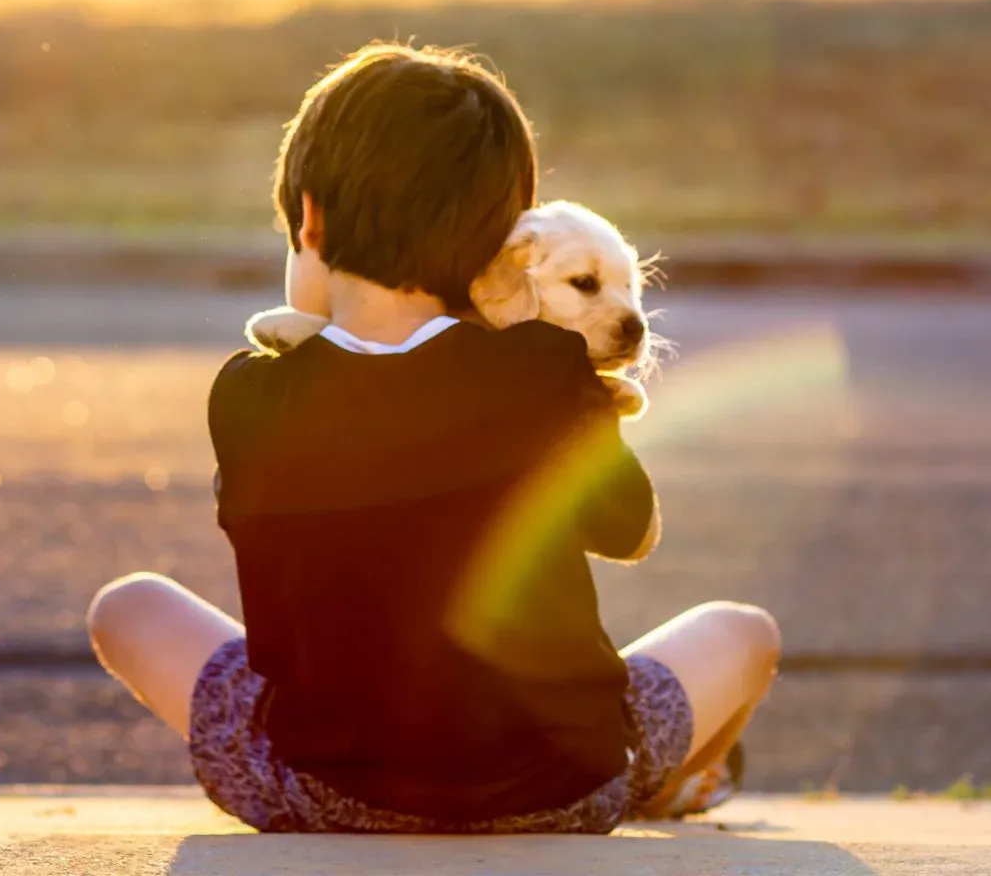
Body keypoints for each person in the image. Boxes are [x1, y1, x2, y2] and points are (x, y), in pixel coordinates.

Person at [87, 43, 779, 833]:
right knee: (745, 633)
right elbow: (630, 531)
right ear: (502, 241)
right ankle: (669, 786)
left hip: (332, 790)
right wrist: (580, 399)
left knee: (127, 608)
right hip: (562, 791)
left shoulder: (248, 394)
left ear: (309, 219)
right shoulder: (547, 376)